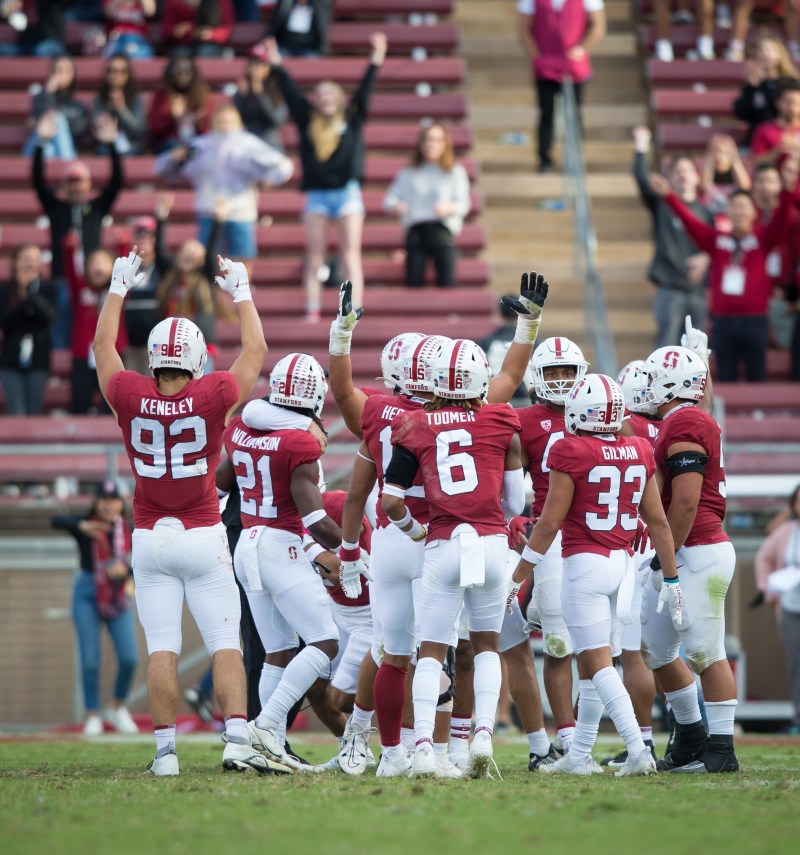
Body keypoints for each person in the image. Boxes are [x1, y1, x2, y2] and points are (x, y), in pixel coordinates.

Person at [329, 273, 549, 776]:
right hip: (449, 535)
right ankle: (447, 746)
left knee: (391, 652)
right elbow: (510, 380)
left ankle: (389, 751)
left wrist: (340, 336)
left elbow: (342, 393)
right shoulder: (488, 414)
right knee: (455, 648)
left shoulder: (385, 414)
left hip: (396, 538)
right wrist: (528, 324)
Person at [92, 250, 278, 776]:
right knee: (224, 641)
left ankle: (167, 753)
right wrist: (240, 291)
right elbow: (256, 349)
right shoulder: (214, 392)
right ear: (197, 359)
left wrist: (118, 287)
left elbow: (103, 346)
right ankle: (237, 739)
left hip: (151, 536)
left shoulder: (128, 393)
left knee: (162, 649)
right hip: (202, 531)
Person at [511, 374, 681, 776]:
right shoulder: (639, 448)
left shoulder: (570, 449)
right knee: (597, 663)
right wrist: (671, 579)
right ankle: (579, 753)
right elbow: (657, 521)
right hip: (623, 566)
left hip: (585, 563)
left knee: (596, 662)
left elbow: (549, 522)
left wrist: (519, 573)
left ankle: (638, 749)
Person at [382, 339, 526, 779]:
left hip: (443, 542)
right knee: (486, 646)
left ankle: (424, 746)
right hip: (489, 544)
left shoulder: (414, 423)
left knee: (429, 651)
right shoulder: (502, 419)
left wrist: (415, 530)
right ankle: (482, 734)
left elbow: (390, 501)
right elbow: (516, 504)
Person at [220, 352, 344, 771]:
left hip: (247, 544)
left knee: (278, 650)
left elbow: (222, 480)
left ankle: (262, 741)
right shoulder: (300, 441)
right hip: (281, 544)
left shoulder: (241, 427)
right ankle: (266, 725)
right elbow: (315, 519)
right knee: (326, 642)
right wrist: (352, 549)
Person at [640, 344, 739, 773]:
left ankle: (721, 750)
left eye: (651, 378)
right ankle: (692, 736)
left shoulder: (686, 423)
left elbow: (684, 505)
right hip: (683, 549)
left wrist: (667, 557)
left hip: (694, 550)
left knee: (705, 651)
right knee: (656, 647)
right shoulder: (685, 419)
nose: (646, 387)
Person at [263, 32, 387, 321]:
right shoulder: (308, 121)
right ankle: (313, 309)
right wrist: (277, 63)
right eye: (320, 95)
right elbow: (292, 93)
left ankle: (353, 310)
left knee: (350, 255)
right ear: (315, 101)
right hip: (317, 195)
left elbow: (366, 90)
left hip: (346, 192)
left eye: (331, 94)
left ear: (341, 99)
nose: (325, 99)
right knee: (315, 256)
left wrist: (376, 60)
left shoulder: (352, 118)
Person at [648, 164, 796, 382]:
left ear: (753, 212)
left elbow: (782, 218)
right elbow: (691, 223)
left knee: (757, 377)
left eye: (744, 207)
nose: (738, 211)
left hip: (755, 321)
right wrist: (669, 196)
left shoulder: (763, 238)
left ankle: (755, 415)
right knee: (725, 379)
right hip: (723, 322)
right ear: (726, 212)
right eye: (734, 207)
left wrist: (788, 189)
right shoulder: (717, 241)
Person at [518, 336, 589, 758]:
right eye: (553, 372)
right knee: (560, 643)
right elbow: (508, 485)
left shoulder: (604, 410)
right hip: (553, 536)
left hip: (602, 536)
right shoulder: (524, 420)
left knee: (606, 647)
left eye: (568, 372)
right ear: (537, 377)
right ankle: (566, 736)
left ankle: (588, 735)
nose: (561, 381)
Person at [52, 480, 139, 737]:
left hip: (117, 594)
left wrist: (126, 570)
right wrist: (83, 526)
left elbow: (144, 562)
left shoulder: (128, 529)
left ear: (120, 504)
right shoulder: (88, 526)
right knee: (90, 659)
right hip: (87, 592)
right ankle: (92, 713)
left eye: (113, 500)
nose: (108, 505)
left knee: (129, 657)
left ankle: (117, 705)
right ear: (96, 503)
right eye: (103, 500)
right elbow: (55, 520)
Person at [155, 103, 293, 263]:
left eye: (229, 121)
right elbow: (161, 168)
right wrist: (174, 158)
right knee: (207, 261)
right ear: (213, 122)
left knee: (243, 260)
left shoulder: (248, 143)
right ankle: (211, 288)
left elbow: (283, 165)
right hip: (209, 211)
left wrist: (269, 179)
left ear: (238, 123)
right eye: (221, 120)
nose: (225, 125)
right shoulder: (201, 145)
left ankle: (243, 288)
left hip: (240, 212)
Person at [633, 125, 712, 349]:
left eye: (687, 170)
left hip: (697, 292)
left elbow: (717, 245)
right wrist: (641, 146)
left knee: (697, 354)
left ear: (697, 177)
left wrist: (706, 258)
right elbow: (641, 179)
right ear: (670, 178)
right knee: (666, 350)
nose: (682, 175)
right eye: (677, 171)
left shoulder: (706, 213)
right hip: (669, 289)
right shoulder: (663, 205)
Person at [515, 0, 607, 174]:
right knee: (546, 113)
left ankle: (574, 157)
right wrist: (537, 55)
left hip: (574, 66)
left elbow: (598, 27)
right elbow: (523, 29)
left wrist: (581, 49)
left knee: (573, 114)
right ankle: (544, 158)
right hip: (546, 65)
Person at [31, 114, 123, 285]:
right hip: (62, 278)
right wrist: (40, 143)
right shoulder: (56, 208)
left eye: (79, 181)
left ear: (89, 184)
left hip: (93, 278)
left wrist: (112, 145)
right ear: (63, 186)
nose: (75, 187)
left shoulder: (97, 207)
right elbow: (38, 183)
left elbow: (117, 182)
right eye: (70, 182)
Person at [384, 124, 471, 289]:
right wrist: (396, 206)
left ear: (445, 144)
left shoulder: (454, 171)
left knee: (447, 284)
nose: (432, 144)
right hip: (416, 232)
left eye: (437, 140)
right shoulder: (409, 172)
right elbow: (389, 200)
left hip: (443, 232)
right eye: (428, 140)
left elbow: (463, 204)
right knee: (414, 284)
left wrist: (449, 208)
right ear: (421, 144)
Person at [755, 485, 800, 735]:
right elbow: (764, 555)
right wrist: (767, 588)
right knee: (796, 664)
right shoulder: (786, 532)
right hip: (792, 606)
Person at [63, 232, 124, 414]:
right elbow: (70, 273)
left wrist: (123, 248)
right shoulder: (80, 289)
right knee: (80, 402)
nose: (98, 267)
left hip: (113, 354)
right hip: (83, 355)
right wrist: (70, 249)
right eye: (93, 263)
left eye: (103, 262)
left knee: (112, 404)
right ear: (86, 268)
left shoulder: (117, 293)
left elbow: (123, 277)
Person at [0, 244, 57, 415]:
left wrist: (31, 295)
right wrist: (23, 299)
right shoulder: (5, 290)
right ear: (16, 263)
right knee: (15, 410)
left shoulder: (48, 289)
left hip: (38, 359)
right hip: (10, 359)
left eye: (35, 259)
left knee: (34, 410)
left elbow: (50, 317)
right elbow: (4, 320)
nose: (30, 264)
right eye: (26, 259)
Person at [734, 36, 800, 147]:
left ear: (780, 54)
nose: (766, 54)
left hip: (787, 136)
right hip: (758, 139)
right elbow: (741, 113)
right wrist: (752, 88)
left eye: (770, 50)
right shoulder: (753, 85)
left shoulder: (790, 82)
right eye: (762, 50)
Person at [24, 55, 89, 160]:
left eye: (67, 71)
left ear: (73, 75)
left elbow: (79, 133)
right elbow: (39, 125)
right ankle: (66, 166)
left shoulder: (77, 106)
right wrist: (49, 91)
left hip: (64, 150)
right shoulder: (40, 98)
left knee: (50, 149)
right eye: (58, 70)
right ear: (51, 73)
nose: (61, 74)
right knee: (47, 145)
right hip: (37, 148)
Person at [147, 56, 211, 153]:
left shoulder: (202, 95)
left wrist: (199, 123)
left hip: (196, 141)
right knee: (175, 147)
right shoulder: (161, 96)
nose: (182, 75)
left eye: (187, 71)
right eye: (177, 70)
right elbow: (155, 129)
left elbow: (208, 132)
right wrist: (173, 117)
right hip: (169, 145)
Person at [234, 44, 288, 152]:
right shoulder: (242, 90)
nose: (255, 68)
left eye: (260, 64)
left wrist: (259, 94)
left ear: (268, 67)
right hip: (247, 147)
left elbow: (276, 121)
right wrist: (241, 97)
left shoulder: (278, 91)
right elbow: (237, 121)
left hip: (269, 147)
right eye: (252, 63)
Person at [92, 53, 146, 155]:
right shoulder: (99, 99)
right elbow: (95, 129)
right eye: (112, 71)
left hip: (132, 146)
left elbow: (138, 131)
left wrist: (122, 109)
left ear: (128, 75)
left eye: (122, 72)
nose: (116, 75)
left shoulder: (136, 99)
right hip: (106, 146)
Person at [750, 78, 800, 170]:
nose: (792, 107)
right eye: (788, 102)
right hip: (774, 183)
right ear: (777, 102)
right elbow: (755, 164)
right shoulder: (764, 130)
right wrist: (778, 150)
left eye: (796, 102)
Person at [700, 133, 751, 217]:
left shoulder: (738, 175)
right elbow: (704, 187)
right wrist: (709, 163)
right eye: (715, 152)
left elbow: (744, 187)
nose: (719, 157)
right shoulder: (704, 174)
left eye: (724, 153)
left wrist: (735, 160)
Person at [162, 0, 234, 57]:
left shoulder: (220, 2)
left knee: (205, 52)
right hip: (184, 44)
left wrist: (211, 34)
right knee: (179, 55)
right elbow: (168, 30)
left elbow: (227, 29)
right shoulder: (174, 2)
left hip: (209, 44)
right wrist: (176, 31)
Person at [266, 0, 332, 58]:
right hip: (286, 46)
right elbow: (275, 24)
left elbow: (322, 27)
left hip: (309, 48)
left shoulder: (318, 5)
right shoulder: (286, 3)